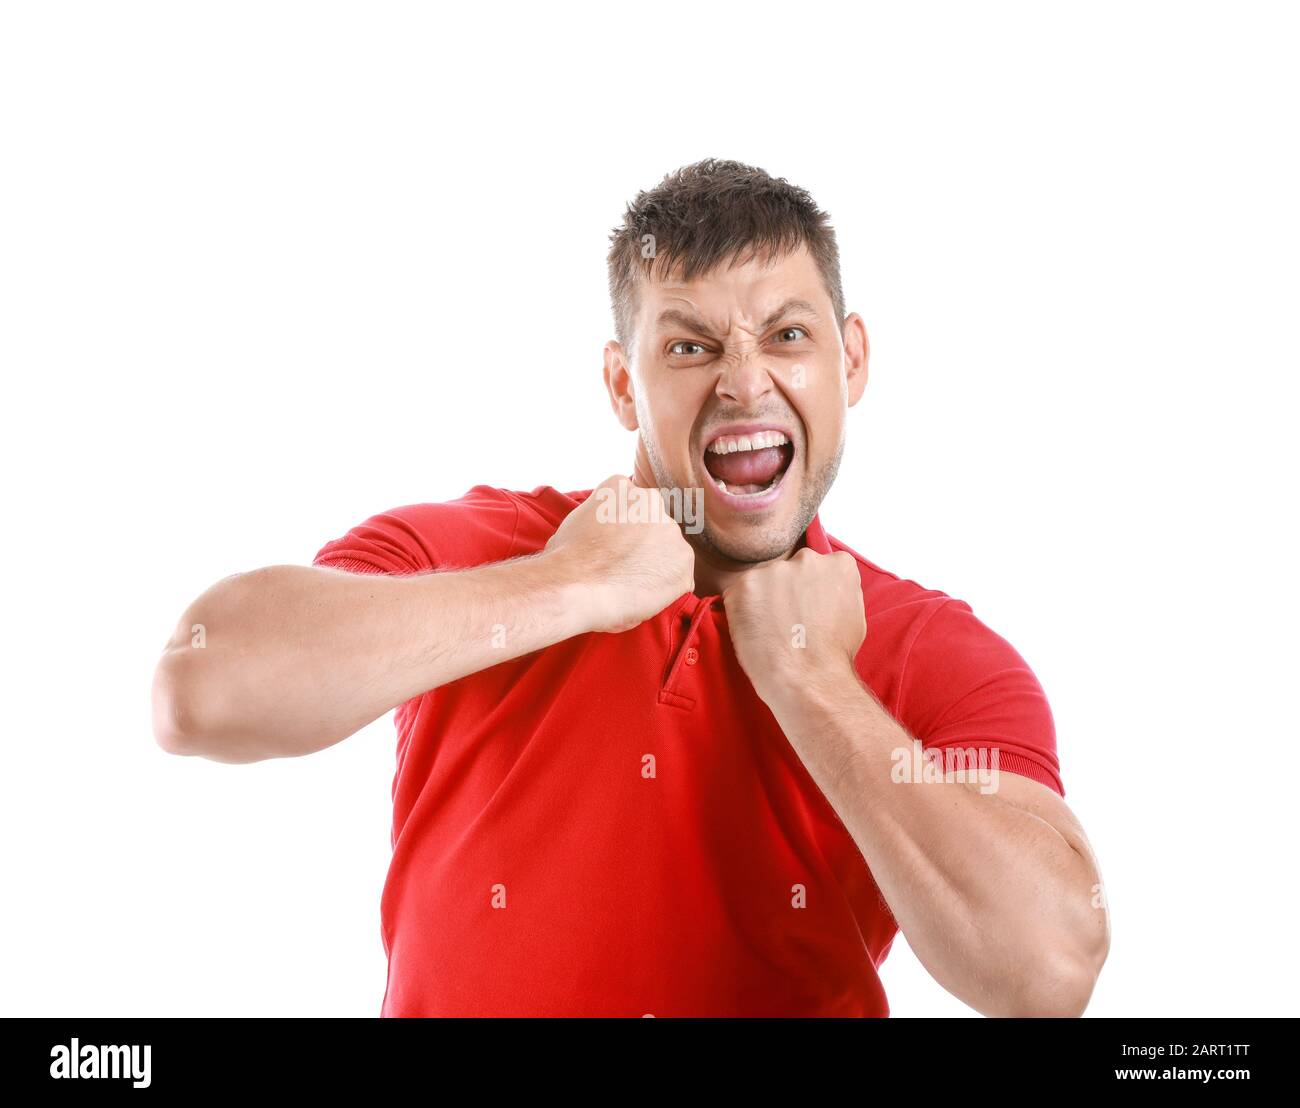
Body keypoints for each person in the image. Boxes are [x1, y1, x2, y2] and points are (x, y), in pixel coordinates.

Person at [151, 158, 1110, 1017]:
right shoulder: (495, 546)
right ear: (622, 385)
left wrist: (813, 682)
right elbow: (201, 692)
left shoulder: (928, 649)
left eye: (786, 334)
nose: (744, 383)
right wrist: (565, 587)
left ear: (849, 360)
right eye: (690, 347)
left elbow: (1049, 970)